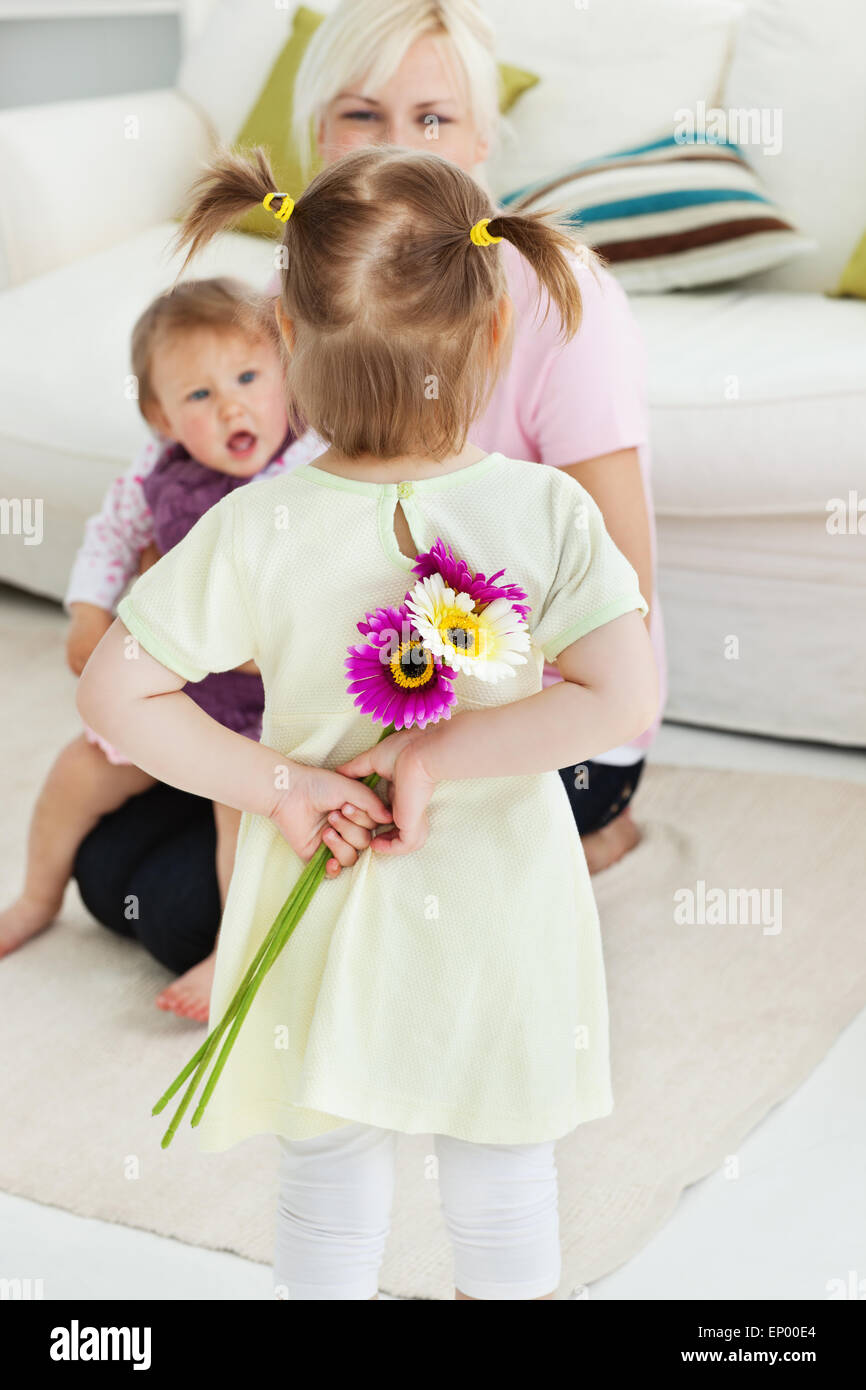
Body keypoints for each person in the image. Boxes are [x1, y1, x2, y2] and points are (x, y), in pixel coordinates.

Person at [76, 141, 658, 1300]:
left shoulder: (259, 526)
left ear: (285, 341)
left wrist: (277, 786)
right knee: (502, 1182)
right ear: (493, 339)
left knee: (327, 1183)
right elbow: (623, 694)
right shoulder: (541, 508)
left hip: (323, 924)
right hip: (497, 921)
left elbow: (113, 691)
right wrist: (448, 750)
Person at [71, 0, 666, 1023]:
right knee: (106, 857)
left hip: (512, 716)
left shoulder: (560, 304)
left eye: (432, 119)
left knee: (185, 900)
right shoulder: (303, 297)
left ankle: (583, 828)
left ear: (481, 141)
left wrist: (404, 748)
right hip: (342, 695)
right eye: (360, 115)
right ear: (316, 139)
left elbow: (620, 643)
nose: (396, 145)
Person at [0, 277, 306, 1022]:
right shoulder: (154, 470)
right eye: (197, 397)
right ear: (160, 415)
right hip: (171, 696)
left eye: (247, 377)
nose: (231, 405)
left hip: (260, 706)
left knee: (242, 817)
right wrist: (85, 614)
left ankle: (234, 953)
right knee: (79, 768)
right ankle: (36, 897)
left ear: (290, 372)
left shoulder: (309, 467)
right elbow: (109, 541)